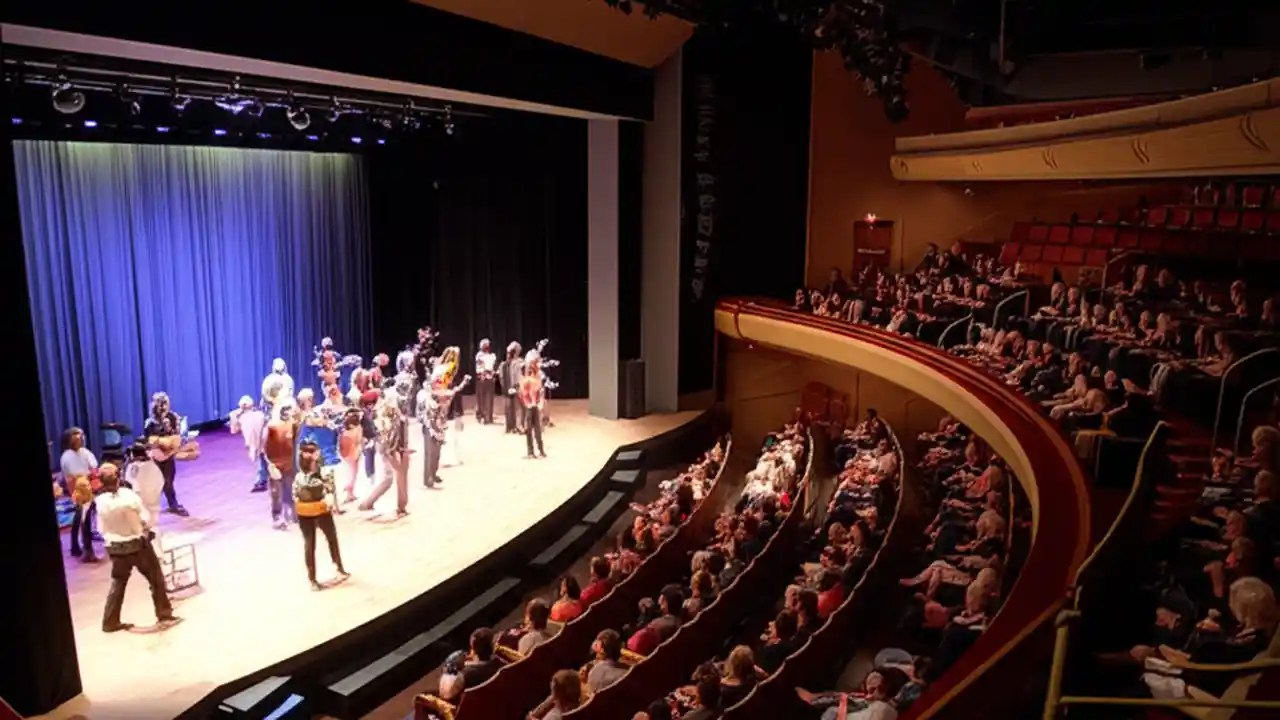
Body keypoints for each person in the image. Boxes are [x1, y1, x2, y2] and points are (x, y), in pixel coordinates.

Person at [95, 463, 179, 632]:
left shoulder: (100, 501)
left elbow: (101, 528)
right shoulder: (129, 496)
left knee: (118, 583)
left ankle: (110, 621)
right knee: (156, 579)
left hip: (115, 546)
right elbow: (145, 519)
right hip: (136, 544)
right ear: (118, 478)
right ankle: (164, 613)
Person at [293, 439, 347, 590]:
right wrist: (328, 484)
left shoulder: (299, 477)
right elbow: (327, 489)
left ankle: (313, 579)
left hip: (304, 512)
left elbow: (296, 495)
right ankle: (338, 568)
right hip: (320, 510)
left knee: (310, 543)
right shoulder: (316, 476)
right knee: (329, 538)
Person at [359, 387, 410, 516]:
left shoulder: (380, 411)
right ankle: (368, 502)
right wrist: (393, 448)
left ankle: (400, 506)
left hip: (393, 445)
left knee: (398, 476)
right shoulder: (380, 412)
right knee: (391, 477)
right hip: (389, 446)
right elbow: (387, 432)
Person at [143, 392, 188, 517]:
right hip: (157, 454)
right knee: (159, 481)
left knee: (168, 480)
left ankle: (172, 504)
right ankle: (152, 505)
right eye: (162, 404)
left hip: (168, 454)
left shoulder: (172, 417)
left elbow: (177, 434)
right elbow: (149, 440)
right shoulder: (150, 422)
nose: (165, 406)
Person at [60, 426, 100, 562]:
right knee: (83, 519)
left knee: (81, 518)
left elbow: (93, 467)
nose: (80, 438)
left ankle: (77, 547)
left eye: (80, 436)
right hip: (78, 490)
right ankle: (86, 550)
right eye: (76, 436)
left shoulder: (85, 452)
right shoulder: (67, 456)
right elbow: (71, 478)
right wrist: (75, 494)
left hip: (88, 487)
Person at [265, 401, 300, 529]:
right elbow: (264, 447)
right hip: (276, 464)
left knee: (292, 490)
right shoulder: (272, 428)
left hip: (289, 464)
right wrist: (270, 464)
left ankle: (294, 515)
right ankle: (277, 517)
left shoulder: (293, 426)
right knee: (276, 493)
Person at [229, 395, 269, 493]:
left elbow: (234, 430)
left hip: (262, 440)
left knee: (263, 459)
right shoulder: (244, 416)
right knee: (262, 459)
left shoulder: (258, 415)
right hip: (258, 442)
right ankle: (262, 480)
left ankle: (262, 480)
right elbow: (234, 430)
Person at [521, 351, 547, 459]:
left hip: (533, 405)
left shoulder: (536, 377)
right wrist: (530, 402)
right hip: (531, 405)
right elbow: (524, 392)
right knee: (532, 429)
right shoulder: (530, 378)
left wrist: (539, 402)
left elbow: (539, 391)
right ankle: (534, 451)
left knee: (536, 429)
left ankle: (538, 451)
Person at [499, 342, 524, 434]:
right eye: (508, 352)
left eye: (511, 352)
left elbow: (520, 377)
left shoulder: (520, 363)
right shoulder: (504, 365)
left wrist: (517, 388)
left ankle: (518, 426)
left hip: (517, 388)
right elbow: (501, 377)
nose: (509, 354)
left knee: (518, 408)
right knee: (508, 407)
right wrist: (505, 388)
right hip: (508, 388)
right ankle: (510, 426)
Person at [475, 338, 497, 425]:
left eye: (487, 345)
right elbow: (481, 366)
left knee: (489, 398)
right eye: (484, 346)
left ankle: (488, 417)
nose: (486, 347)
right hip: (481, 378)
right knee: (481, 398)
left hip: (490, 378)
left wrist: (491, 373)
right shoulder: (479, 355)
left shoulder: (492, 356)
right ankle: (481, 416)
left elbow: (492, 366)